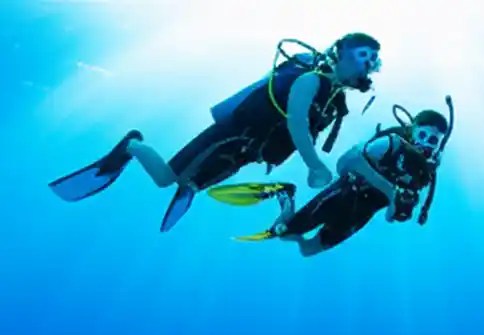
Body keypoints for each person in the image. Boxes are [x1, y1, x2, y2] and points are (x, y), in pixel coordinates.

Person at [48, 34, 382, 232]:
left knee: (194, 183)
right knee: (166, 179)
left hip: (245, 152)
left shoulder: (334, 99)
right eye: (364, 57)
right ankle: (132, 145)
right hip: (229, 135)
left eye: (373, 61)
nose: (369, 66)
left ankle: (192, 183)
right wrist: (315, 165)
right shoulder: (312, 81)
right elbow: (296, 122)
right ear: (343, 53)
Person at [209, 98, 453, 257]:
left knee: (308, 250)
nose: (428, 145)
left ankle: (289, 212)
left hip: (362, 213)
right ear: (413, 130)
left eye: (435, 141)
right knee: (283, 231)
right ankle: (285, 194)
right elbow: (346, 163)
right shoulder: (391, 144)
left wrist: (399, 208)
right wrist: (390, 190)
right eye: (424, 136)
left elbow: (391, 215)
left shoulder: (424, 175)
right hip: (345, 194)